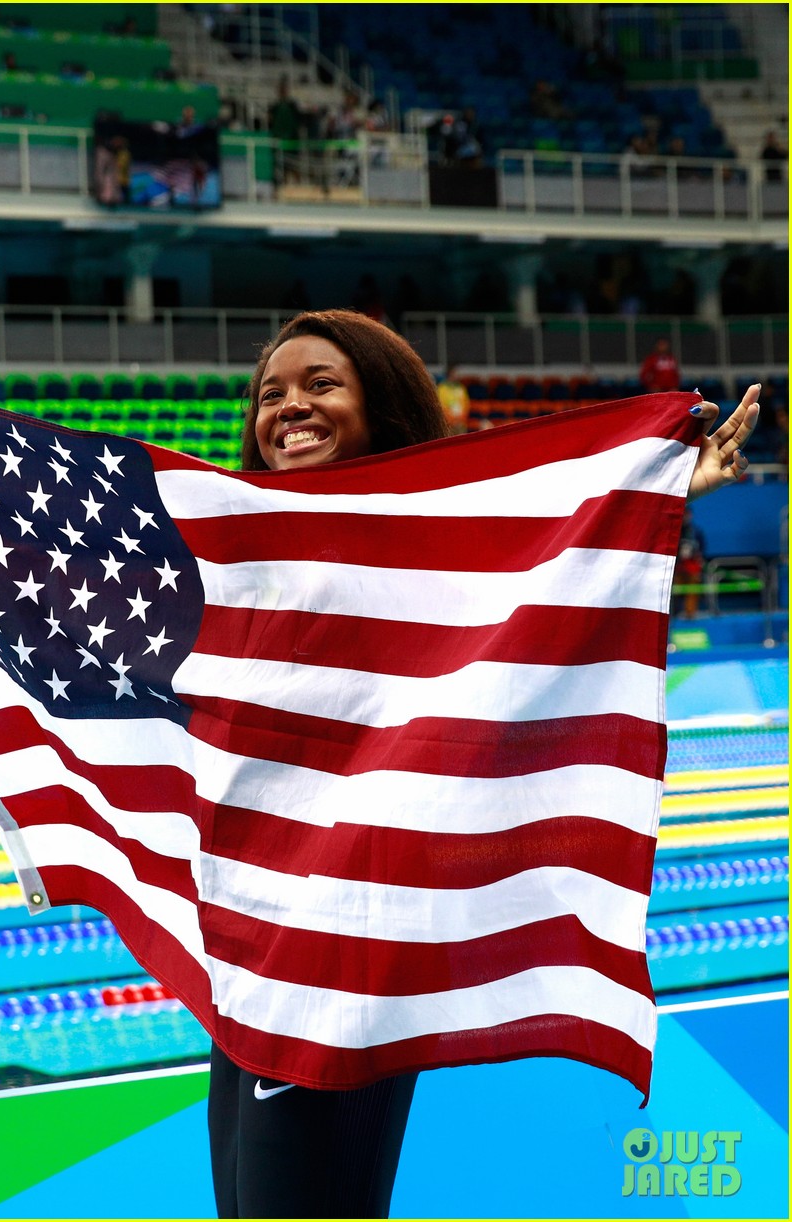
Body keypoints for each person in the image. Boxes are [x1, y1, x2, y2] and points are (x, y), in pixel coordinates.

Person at [209, 309, 760, 1218]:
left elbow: (553, 567)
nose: (289, 407)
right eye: (271, 393)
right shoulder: (238, 555)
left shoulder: (445, 559)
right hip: (251, 954)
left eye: (321, 384)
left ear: (382, 408)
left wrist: (662, 490)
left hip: (349, 953)